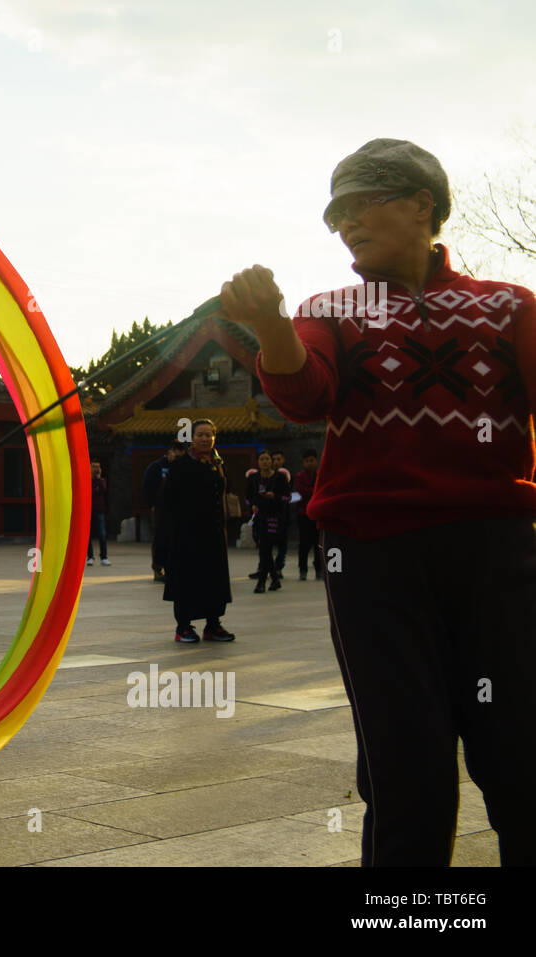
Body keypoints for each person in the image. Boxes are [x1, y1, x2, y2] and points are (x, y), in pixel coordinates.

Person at [220, 137, 536, 865]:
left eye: (363, 205)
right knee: (407, 765)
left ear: (423, 203)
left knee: (521, 752)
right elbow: (305, 392)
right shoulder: (330, 309)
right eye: (338, 217)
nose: (348, 226)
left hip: (496, 552)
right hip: (373, 559)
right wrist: (268, 322)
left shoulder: (507, 307)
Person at [160, 419, 234, 644]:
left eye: (209, 434)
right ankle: (183, 626)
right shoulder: (181, 465)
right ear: (191, 438)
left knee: (215, 579)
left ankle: (213, 625)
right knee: (187, 580)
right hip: (187, 534)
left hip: (213, 533)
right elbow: (168, 502)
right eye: (200, 434)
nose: (205, 439)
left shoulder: (217, 462)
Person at [245, 450, 289, 593]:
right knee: (265, 549)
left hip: (274, 517)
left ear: (271, 461)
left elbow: (287, 497)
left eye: (267, 459)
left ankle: (262, 581)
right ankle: (275, 578)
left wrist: (274, 496)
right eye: (262, 459)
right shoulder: (253, 478)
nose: (265, 462)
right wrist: (252, 504)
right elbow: (247, 497)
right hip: (259, 517)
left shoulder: (280, 478)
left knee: (266, 548)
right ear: (258, 462)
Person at [143, 441, 185, 582]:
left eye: (181, 457)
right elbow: (148, 486)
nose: (177, 459)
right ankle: (158, 568)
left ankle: (173, 568)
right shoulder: (157, 467)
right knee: (160, 539)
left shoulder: (182, 467)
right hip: (161, 510)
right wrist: (152, 504)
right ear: (169, 452)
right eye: (176, 455)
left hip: (178, 510)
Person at [293, 449, 322, 580]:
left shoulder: (320, 475)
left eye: (312, 460)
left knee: (318, 544)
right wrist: (315, 492)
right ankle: (303, 569)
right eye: (307, 461)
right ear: (303, 463)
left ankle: (319, 569)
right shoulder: (299, 477)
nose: (310, 463)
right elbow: (301, 491)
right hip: (303, 514)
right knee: (304, 543)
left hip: (317, 514)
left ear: (316, 461)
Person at [86, 460, 109, 566]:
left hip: (99, 510)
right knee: (88, 535)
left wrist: (98, 478)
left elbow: (103, 489)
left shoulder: (102, 480)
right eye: (94, 466)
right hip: (88, 510)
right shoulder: (87, 480)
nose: (96, 469)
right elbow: (89, 491)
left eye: (98, 467)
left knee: (102, 534)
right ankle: (90, 556)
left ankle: (104, 557)